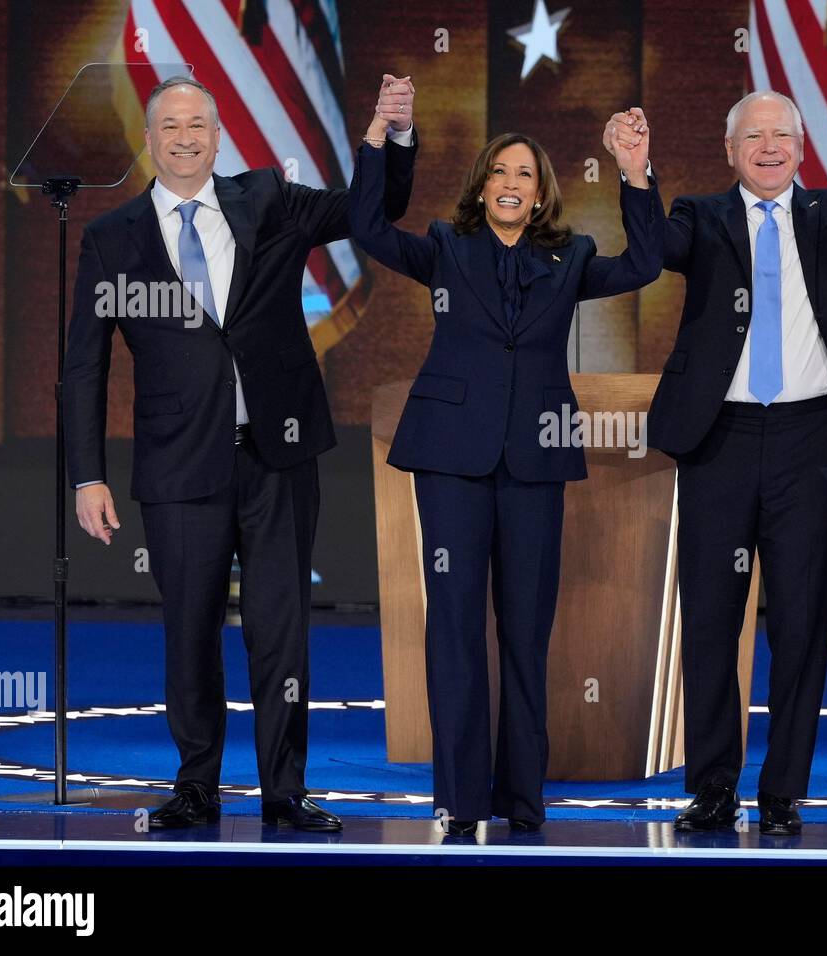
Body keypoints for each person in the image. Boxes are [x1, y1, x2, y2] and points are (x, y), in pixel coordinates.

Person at [64, 74, 420, 831]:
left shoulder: (268, 201)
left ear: (220, 136)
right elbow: (84, 366)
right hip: (178, 464)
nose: (186, 138)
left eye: (200, 125)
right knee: (189, 630)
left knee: (280, 628)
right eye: (171, 126)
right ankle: (195, 786)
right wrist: (86, 475)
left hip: (278, 454)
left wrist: (385, 138)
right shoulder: (110, 237)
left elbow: (375, 207)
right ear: (150, 138)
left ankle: (284, 790)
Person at [605, 70, 827, 835]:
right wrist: (634, 173)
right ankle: (712, 787)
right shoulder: (701, 216)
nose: (770, 146)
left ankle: (783, 790)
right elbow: (650, 252)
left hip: (812, 439)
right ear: (730, 150)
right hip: (719, 438)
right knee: (711, 619)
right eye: (755, 135)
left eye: (782, 134)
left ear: (802, 146)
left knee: (805, 622)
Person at [350, 93, 663, 836]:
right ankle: (458, 797)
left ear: (541, 188)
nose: (512, 182)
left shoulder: (573, 255)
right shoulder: (442, 246)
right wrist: (382, 135)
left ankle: (522, 798)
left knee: (526, 630)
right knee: (455, 627)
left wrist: (637, 173)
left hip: (535, 460)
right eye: (500, 171)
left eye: (525, 172)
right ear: (483, 184)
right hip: (452, 461)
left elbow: (647, 263)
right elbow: (365, 226)